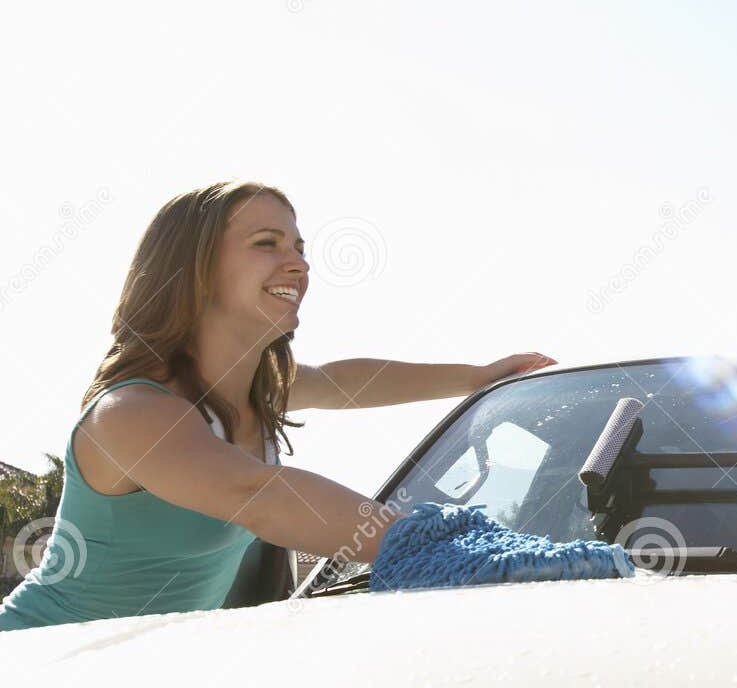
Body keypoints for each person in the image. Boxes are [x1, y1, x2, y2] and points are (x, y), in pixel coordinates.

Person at [0, 181, 554, 630]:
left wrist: (479, 378)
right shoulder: (131, 414)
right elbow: (259, 495)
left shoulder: (257, 391)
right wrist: (439, 543)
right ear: (193, 267)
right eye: (268, 243)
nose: (299, 265)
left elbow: (343, 384)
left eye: (300, 248)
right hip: (32, 673)